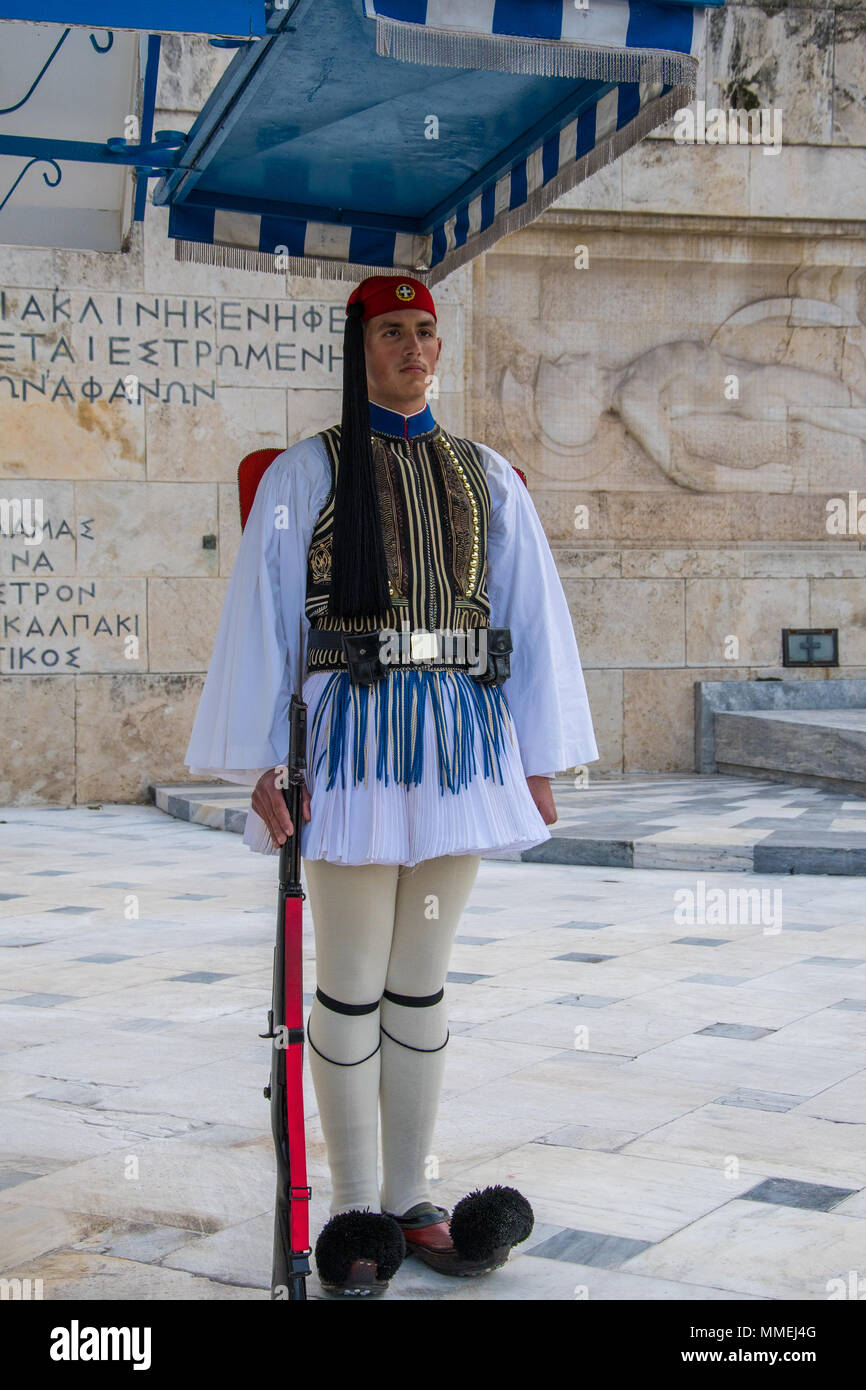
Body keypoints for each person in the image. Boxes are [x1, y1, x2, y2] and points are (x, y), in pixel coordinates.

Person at [185, 274, 598, 1295]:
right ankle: (354, 1206)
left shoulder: (486, 474)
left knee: (421, 979)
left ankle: (411, 1198)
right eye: (393, 334)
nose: (416, 350)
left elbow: (530, 619)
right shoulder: (303, 474)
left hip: (457, 743)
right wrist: (261, 765)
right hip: (353, 747)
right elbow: (266, 614)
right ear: (355, 347)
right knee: (352, 979)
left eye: (426, 333)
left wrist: (539, 760)